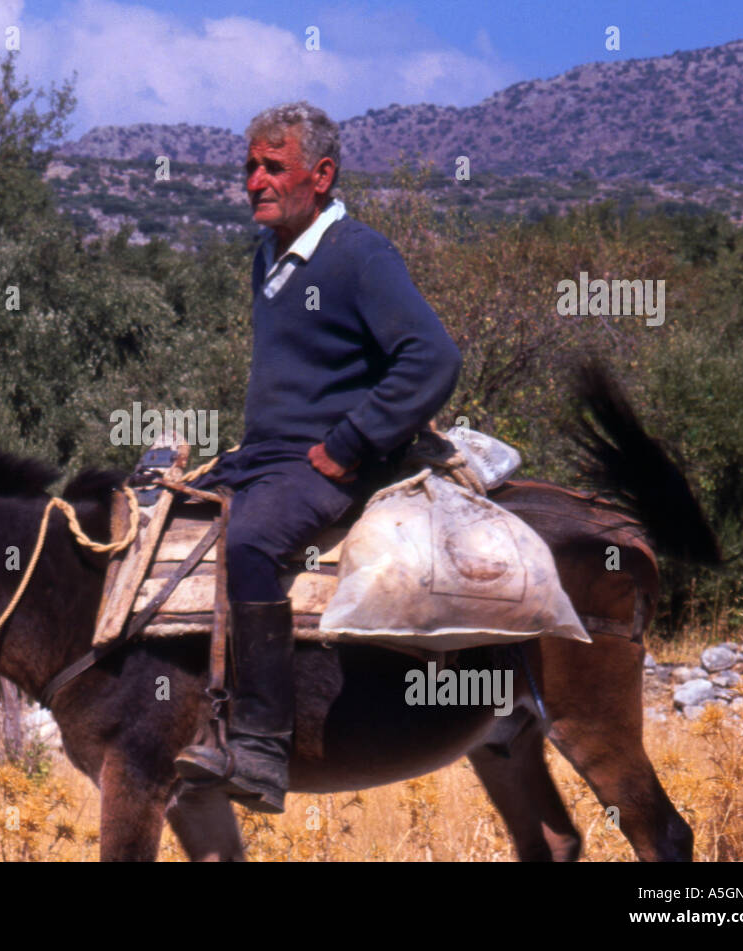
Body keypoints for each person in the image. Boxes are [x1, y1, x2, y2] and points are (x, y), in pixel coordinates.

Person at [173, 102, 462, 813]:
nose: (254, 182)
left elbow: (432, 356)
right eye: (249, 168)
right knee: (164, 512)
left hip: (334, 463)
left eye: (274, 167)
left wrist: (350, 442)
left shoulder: (360, 255)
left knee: (251, 542)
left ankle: (264, 746)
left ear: (321, 175)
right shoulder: (268, 256)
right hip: (265, 455)